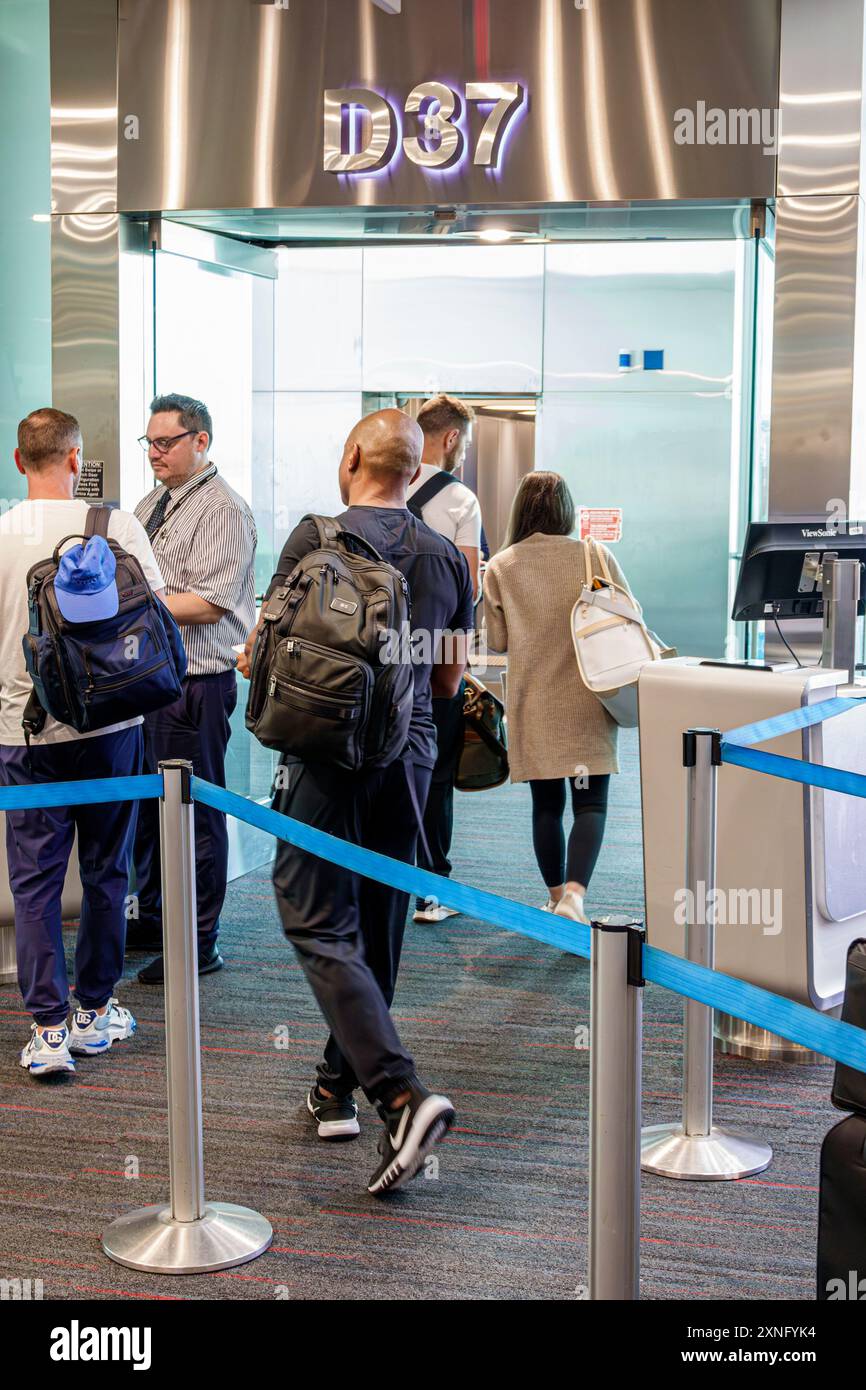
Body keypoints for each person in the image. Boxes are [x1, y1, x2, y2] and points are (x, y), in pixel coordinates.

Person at [244, 409, 473, 1195]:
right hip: (406, 758)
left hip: (322, 755)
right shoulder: (447, 558)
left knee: (313, 916)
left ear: (350, 458)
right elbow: (448, 682)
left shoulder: (314, 540)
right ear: (416, 472)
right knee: (378, 922)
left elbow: (260, 653)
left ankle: (398, 1092)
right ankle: (336, 1089)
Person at [0, 409, 163, 1076]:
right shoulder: (113, 525)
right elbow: (155, 606)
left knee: (34, 881)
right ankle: (94, 1014)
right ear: (75, 460)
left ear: (18, 461)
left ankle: (46, 1030)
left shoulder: (2, 532)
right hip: (111, 727)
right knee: (107, 870)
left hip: (23, 731)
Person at [129, 394, 257, 983]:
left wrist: (125, 606)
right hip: (146, 682)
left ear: (200, 442)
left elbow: (209, 602)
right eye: (149, 442)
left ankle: (199, 939)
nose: (154, 452)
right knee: (154, 812)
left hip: (195, 683)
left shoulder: (222, 509)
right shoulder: (152, 502)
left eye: (166, 442)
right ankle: (157, 917)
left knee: (195, 814)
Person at [482, 472, 632, 924]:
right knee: (591, 803)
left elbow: (499, 640)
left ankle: (553, 897)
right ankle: (575, 897)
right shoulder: (594, 555)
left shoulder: (502, 566)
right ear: (565, 510)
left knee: (546, 806)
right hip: (589, 699)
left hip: (535, 704)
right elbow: (630, 613)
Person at [406, 394, 481, 924]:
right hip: (435, 650)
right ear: (451, 437)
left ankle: (382, 872)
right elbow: (469, 589)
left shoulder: (381, 484)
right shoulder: (461, 500)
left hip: (376, 650)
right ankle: (432, 888)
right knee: (436, 768)